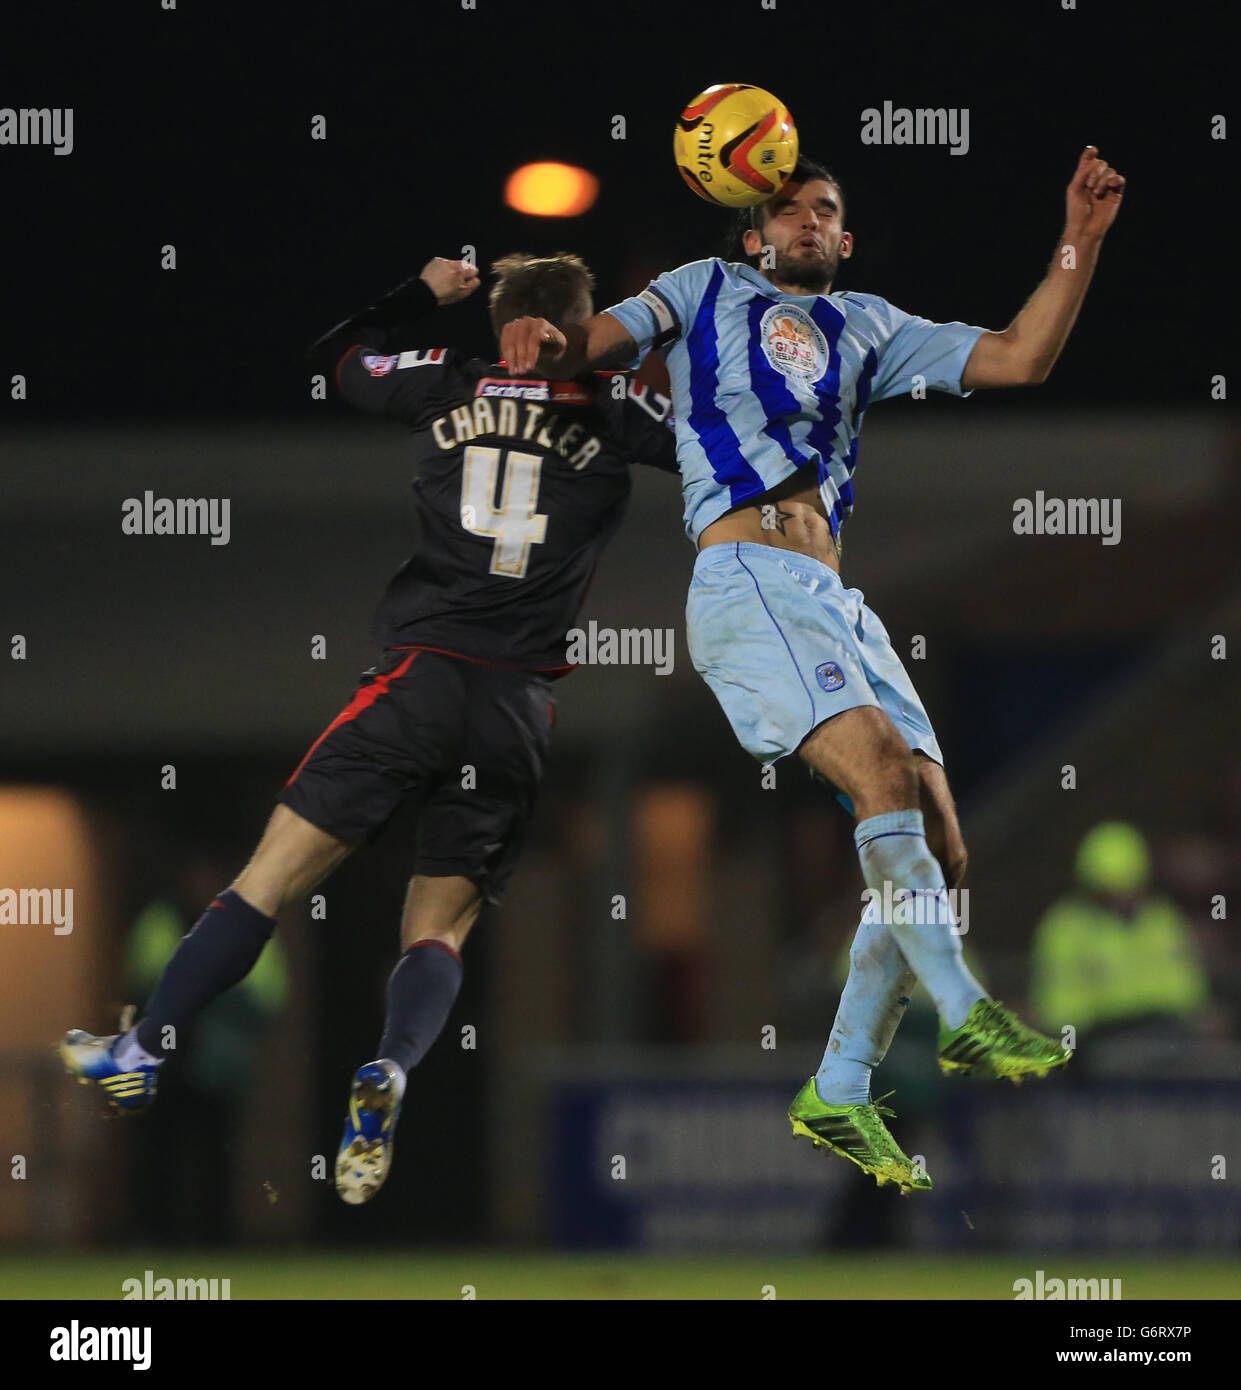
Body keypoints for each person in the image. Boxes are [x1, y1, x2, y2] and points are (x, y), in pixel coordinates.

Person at [502, 146, 1126, 1192]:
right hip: (746, 579)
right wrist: (545, 336)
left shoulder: (870, 326)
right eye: (784, 207)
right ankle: (965, 1012)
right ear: (751, 232)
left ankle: (838, 1087)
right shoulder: (703, 291)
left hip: (832, 599)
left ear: (842, 238)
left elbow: (1021, 356)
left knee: (938, 839)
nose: (803, 219)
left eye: (822, 209)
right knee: (882, 772)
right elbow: (592, 342)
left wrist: (1082, 238)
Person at [60, 251, 679, 1206]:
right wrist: (662, 337)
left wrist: (417, 296)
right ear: (584, 317)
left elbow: (338, 355)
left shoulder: (446, 382)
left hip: (416, 677)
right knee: (437, 929)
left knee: (263, 883)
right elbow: (732, 449)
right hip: (514, 709)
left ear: (501, 317)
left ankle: (137, 1048)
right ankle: (390, 1068)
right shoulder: (619, 416)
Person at [1031, 821, 1209, 1057]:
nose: (1120, 901)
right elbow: (1058, 1009)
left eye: (1128, 890)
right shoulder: (1064, 927)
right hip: (1097, 1043)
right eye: (1108, 894)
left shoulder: (1162, 919)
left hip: (1166, 1034)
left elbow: (1188, 991)